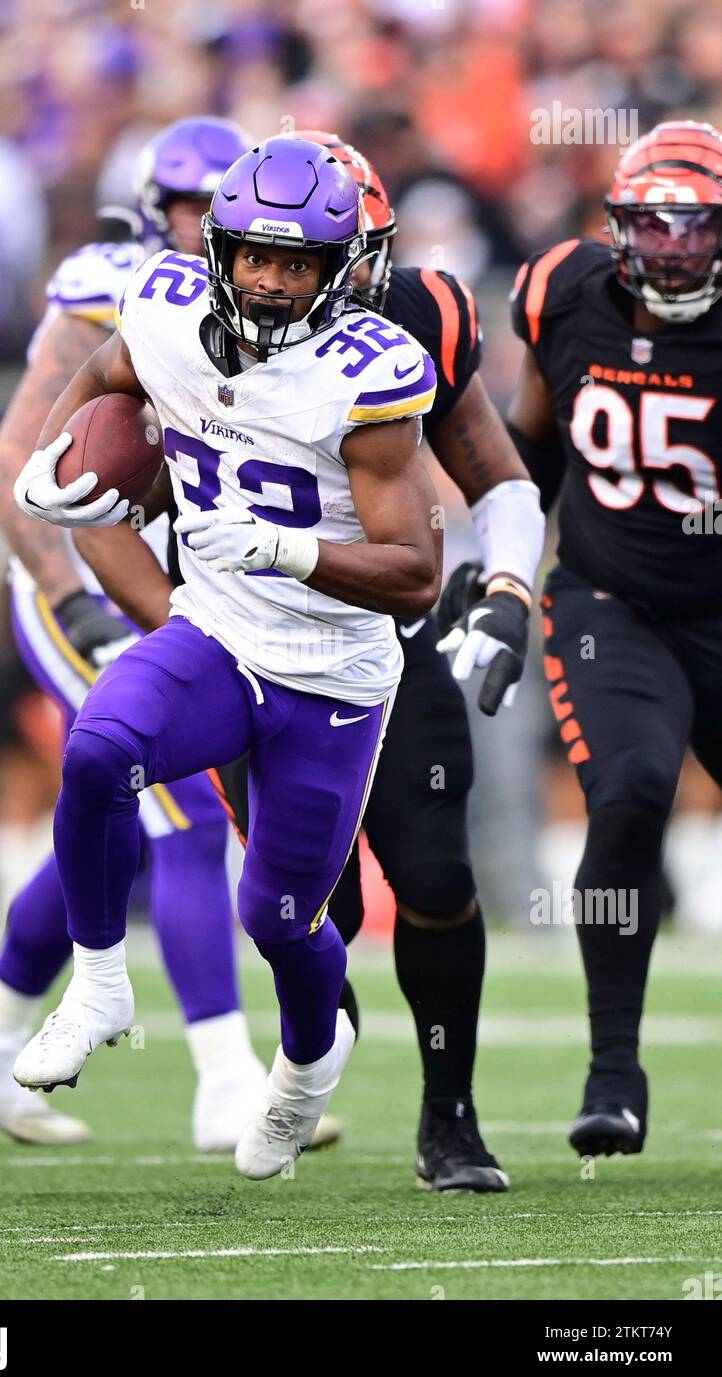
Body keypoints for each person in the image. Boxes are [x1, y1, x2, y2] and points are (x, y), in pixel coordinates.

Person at [11, 137, 441, 1180]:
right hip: (214, 627)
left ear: (338, 271)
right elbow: (108, 370)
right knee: (98, 748)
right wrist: (55, 454)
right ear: (216, 247)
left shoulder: (366, 374)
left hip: (328, 673)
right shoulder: (157, 306)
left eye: (296, 264)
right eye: (252, 255)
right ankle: (101, 981)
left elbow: (415, 574)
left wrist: (288, 547)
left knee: (280, 917)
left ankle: (300, 1075)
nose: (269, 279)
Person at [0, 118, 273, 1153]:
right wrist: (68, 598)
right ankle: (223, 1082)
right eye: (192, 212)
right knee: (188, 817)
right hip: (80, 579)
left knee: (112, 838)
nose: (216, 236)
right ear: (148, 212)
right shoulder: (109, 291)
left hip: (182, 586)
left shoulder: (268, 309)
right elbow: (6, 471)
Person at [205, 133, 545, 1192]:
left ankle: (449, 1119)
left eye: (323, 254)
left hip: (387, 641)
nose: (282, 281)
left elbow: (496, 476)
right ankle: (309, 1064)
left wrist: (508, 591)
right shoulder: (193, 323)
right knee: (308, 906)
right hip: (256, 647)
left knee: (437, 876)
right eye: (264, 255)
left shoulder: (415, 317)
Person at [505, 120, 722, 1156]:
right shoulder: (559, 290)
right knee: (632, 787)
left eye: (696, 227)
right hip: (610, 601)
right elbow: (528, 445)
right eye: (653, 224)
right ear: (616, 229)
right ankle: (611, 1065)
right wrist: (499, 571)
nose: (674, 246)